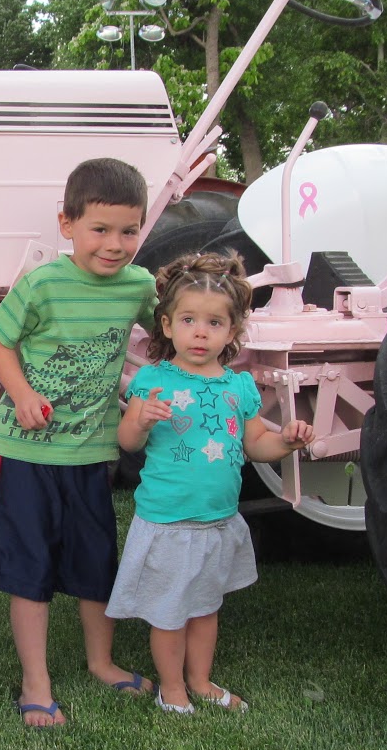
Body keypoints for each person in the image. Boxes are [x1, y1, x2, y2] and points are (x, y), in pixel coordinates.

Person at [0, 157, 159, 727]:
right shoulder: (44, 283)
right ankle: (36, 680)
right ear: (67, 224)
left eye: (130, 230)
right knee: (30, 569)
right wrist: (20, 392)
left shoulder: (138, 286)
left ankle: (102, 661)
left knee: (96, 563)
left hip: (92, 454)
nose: (115, 244)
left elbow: (166, 327)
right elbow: (0, 343)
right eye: (100, 229)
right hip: (26, 455)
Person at [107, 251, 314, 715]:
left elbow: (255, 441)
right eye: (189, 320)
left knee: (204, 610)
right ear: (166, 325)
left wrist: (285, 441)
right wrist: (139, 418)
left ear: (232, 332)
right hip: (169, 521)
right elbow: (128, 441)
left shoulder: (237, 388)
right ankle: (171, 686)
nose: (200, 332)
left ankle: (200, 680)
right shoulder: (153, 379)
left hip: (218, 521)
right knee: (169, 613)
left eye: (215, 323)